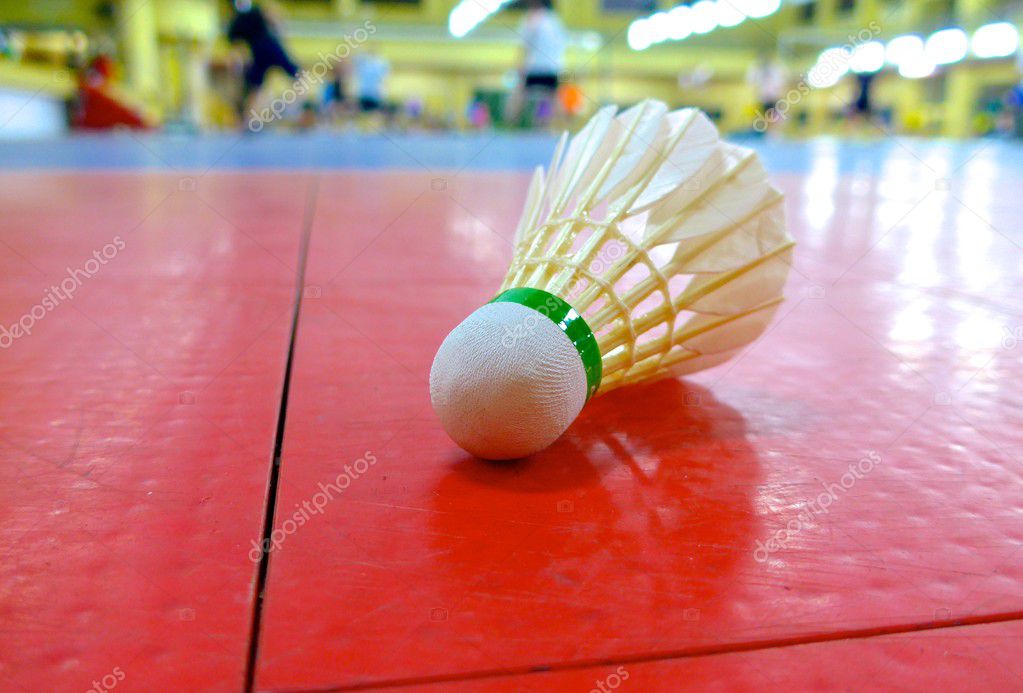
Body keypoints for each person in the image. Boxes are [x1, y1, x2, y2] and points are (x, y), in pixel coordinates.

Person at [227, 0, 299, 123]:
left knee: (256, 87)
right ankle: (297, 109)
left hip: (258, 51)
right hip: (269, 47)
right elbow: (274, 18)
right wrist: (281, 35)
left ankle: (247, 119)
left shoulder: (236, 21)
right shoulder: (249, 14)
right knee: (298, 77)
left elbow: (236, 48)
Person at [512, 0, 566, 129]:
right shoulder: (555, 21)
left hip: (536, 67)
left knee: (521, 95)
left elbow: (524, 47)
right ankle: (546, 125)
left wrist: (520, 68)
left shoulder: (531, 19)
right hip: (550, 68)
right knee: (549, 98)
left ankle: (512, 124)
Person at [747, 53, 787, 134]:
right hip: (765, 99)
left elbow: (780, 85)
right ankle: (767, 129)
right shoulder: (757, 71)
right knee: (765, 117)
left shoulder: (776, 71)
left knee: (774, 118)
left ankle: (772, 130)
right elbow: (754, 84)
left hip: (772, 98)